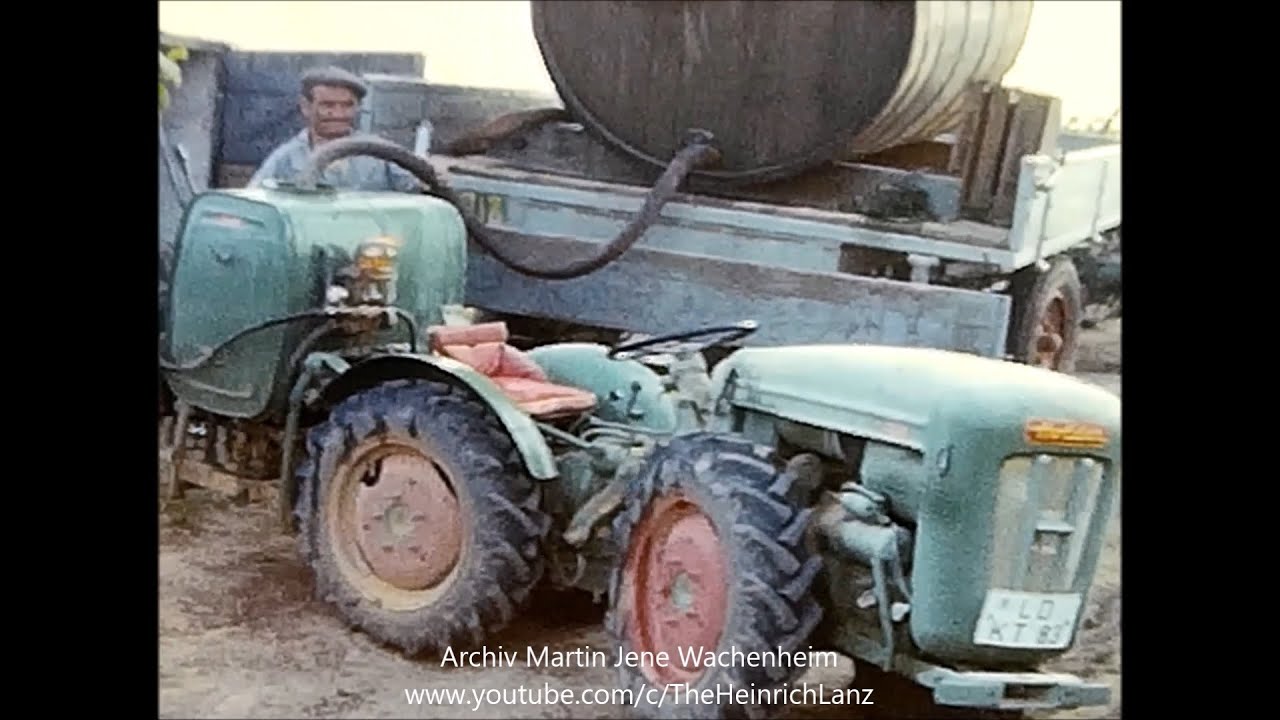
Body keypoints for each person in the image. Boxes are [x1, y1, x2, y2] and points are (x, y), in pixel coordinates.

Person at [248, 66, 421, 192]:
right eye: (327, 105)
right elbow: (254, 202)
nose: (338, 114)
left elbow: (419, 189)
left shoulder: (382, 154)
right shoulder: (285, 159)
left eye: (347, 106)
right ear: (305, 107)